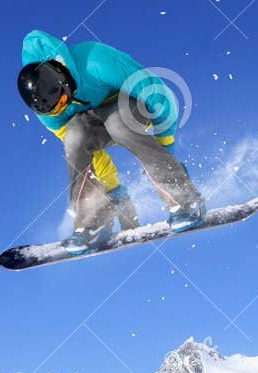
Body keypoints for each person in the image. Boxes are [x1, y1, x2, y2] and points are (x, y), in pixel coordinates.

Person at [17, 30, 205, 254]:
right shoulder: (47, 111)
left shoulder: (96, 61)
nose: (64, 108)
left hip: (130, 105)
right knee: (74, 136)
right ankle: (93, 222)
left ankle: (184, 199)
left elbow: (156, 92)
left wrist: (166, 149)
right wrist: (113, 191)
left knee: (118, 124)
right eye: (57, 108)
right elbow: (83, 151)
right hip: (92, 120)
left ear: (62, 78)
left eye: (64, 100)